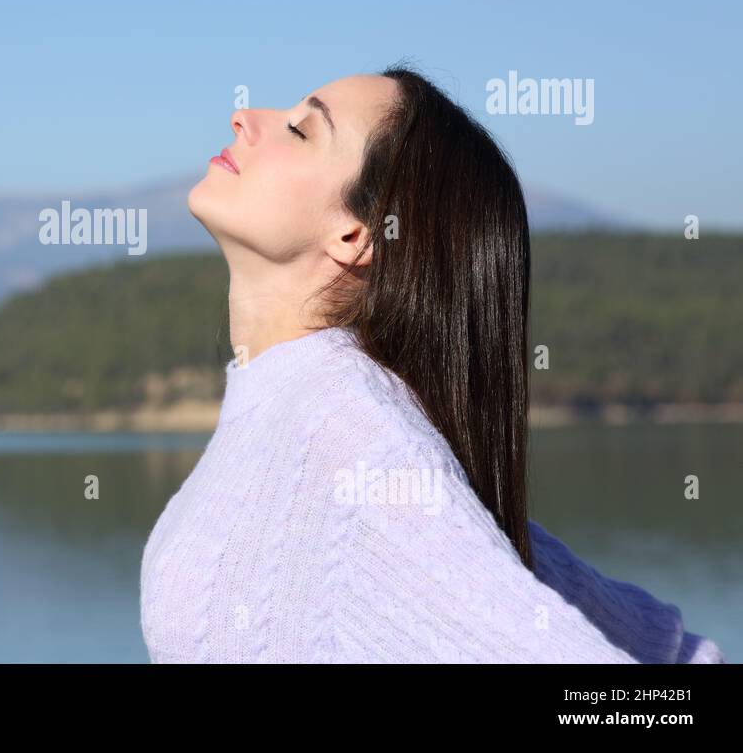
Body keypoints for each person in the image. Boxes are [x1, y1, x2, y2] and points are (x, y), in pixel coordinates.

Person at [139, 66, 726, 663]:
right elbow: (661, 647)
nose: (245, 117)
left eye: (301, 130)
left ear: (354, 235)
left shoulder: (354, 435)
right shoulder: (298, 408)